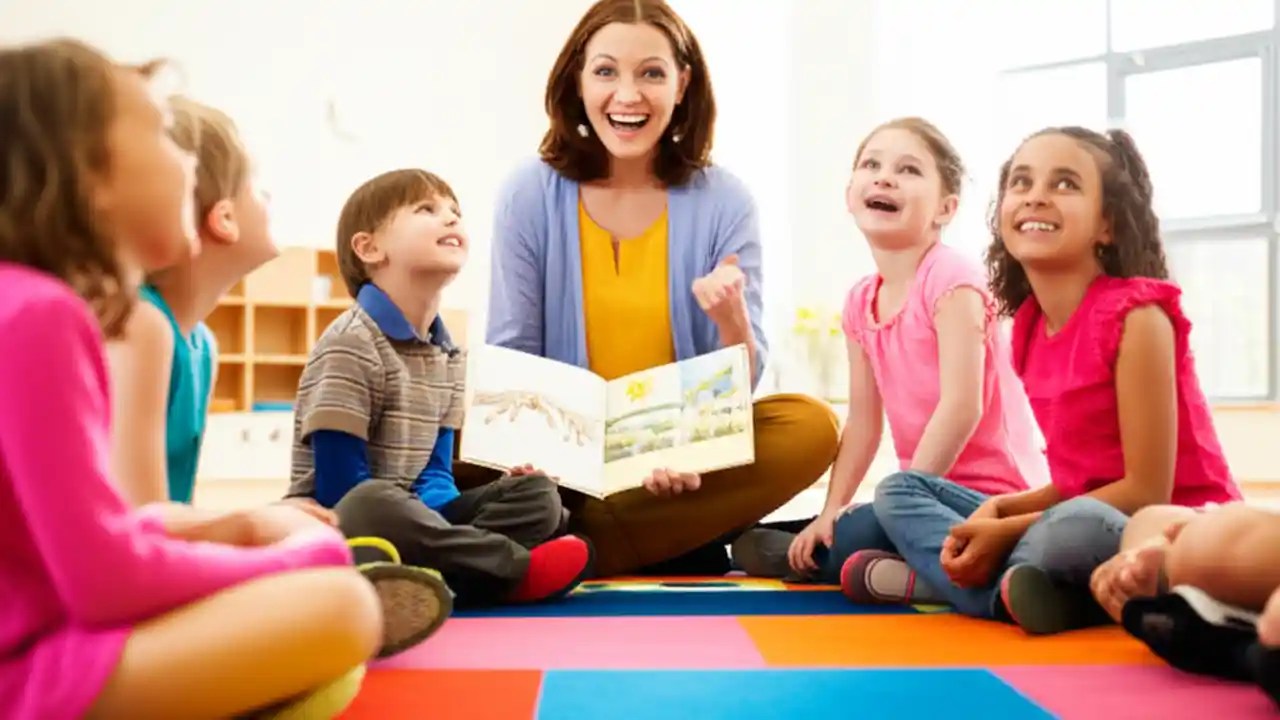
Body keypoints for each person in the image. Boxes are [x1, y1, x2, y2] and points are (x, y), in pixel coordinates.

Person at [0, 38, 381, 720]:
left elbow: (105, 534)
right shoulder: (41, 314)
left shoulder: (31, 305)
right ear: (90, 173)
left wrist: (236, 529)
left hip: (46, 631)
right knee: (344, 604)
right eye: (160, 133)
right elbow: (105, 582)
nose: (183, 160)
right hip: (27, 675)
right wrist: (298, 559)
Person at [482, 0, 839, 577]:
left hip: (674, 447)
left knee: (809, 426)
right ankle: (646, 539)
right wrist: (536, 457)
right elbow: (513, 352)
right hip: (559, 455)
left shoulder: (724, 200)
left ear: (682, 84)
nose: (628, 94)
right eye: (606, 71)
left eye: (651, 72)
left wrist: (731, 321)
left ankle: (572, 548)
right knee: (444, 425)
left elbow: (737, 385)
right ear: (578, 80)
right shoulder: (529, 191)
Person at [870, 126, 1242, 635]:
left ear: (1106, 224)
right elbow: (1077, 481)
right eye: (1020, 183)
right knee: (897, 492)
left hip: (1165, 523)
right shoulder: (1026, 328)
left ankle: (964, 586)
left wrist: (1006, 529)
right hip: (1080, 511)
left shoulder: (1138, 316)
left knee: (1067, 532)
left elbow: (1145, 491)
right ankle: (1022, 590)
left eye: (1065, 184)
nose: (1036, 196)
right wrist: (1002, 508)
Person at [731, 117, 1049, 603]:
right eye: (871, 165)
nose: (883, 177)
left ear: (946, 208)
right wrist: (829, 510)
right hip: (915, 497)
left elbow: (962, 407)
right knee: (761, 545)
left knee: (857, 531)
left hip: (986, 502)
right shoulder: (862, 300)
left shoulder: (952, 279)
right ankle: (902, 570)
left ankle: (954, 571)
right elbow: (863, 423)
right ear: (850, 192)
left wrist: (905, 498)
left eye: (908, 170)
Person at [284, 168, 593, 607]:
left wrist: (452, 517)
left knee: (536, 496)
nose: (450, 219)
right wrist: (427, 523)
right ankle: (510, 569)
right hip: (342, 524)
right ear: (369, 248)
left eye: (455, 211)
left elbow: (435, 477)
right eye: (427, 209)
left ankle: (443, 571)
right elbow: (340, 494)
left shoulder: (448, 353)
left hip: (413, 520)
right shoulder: (350, 344)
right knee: (374, 501)